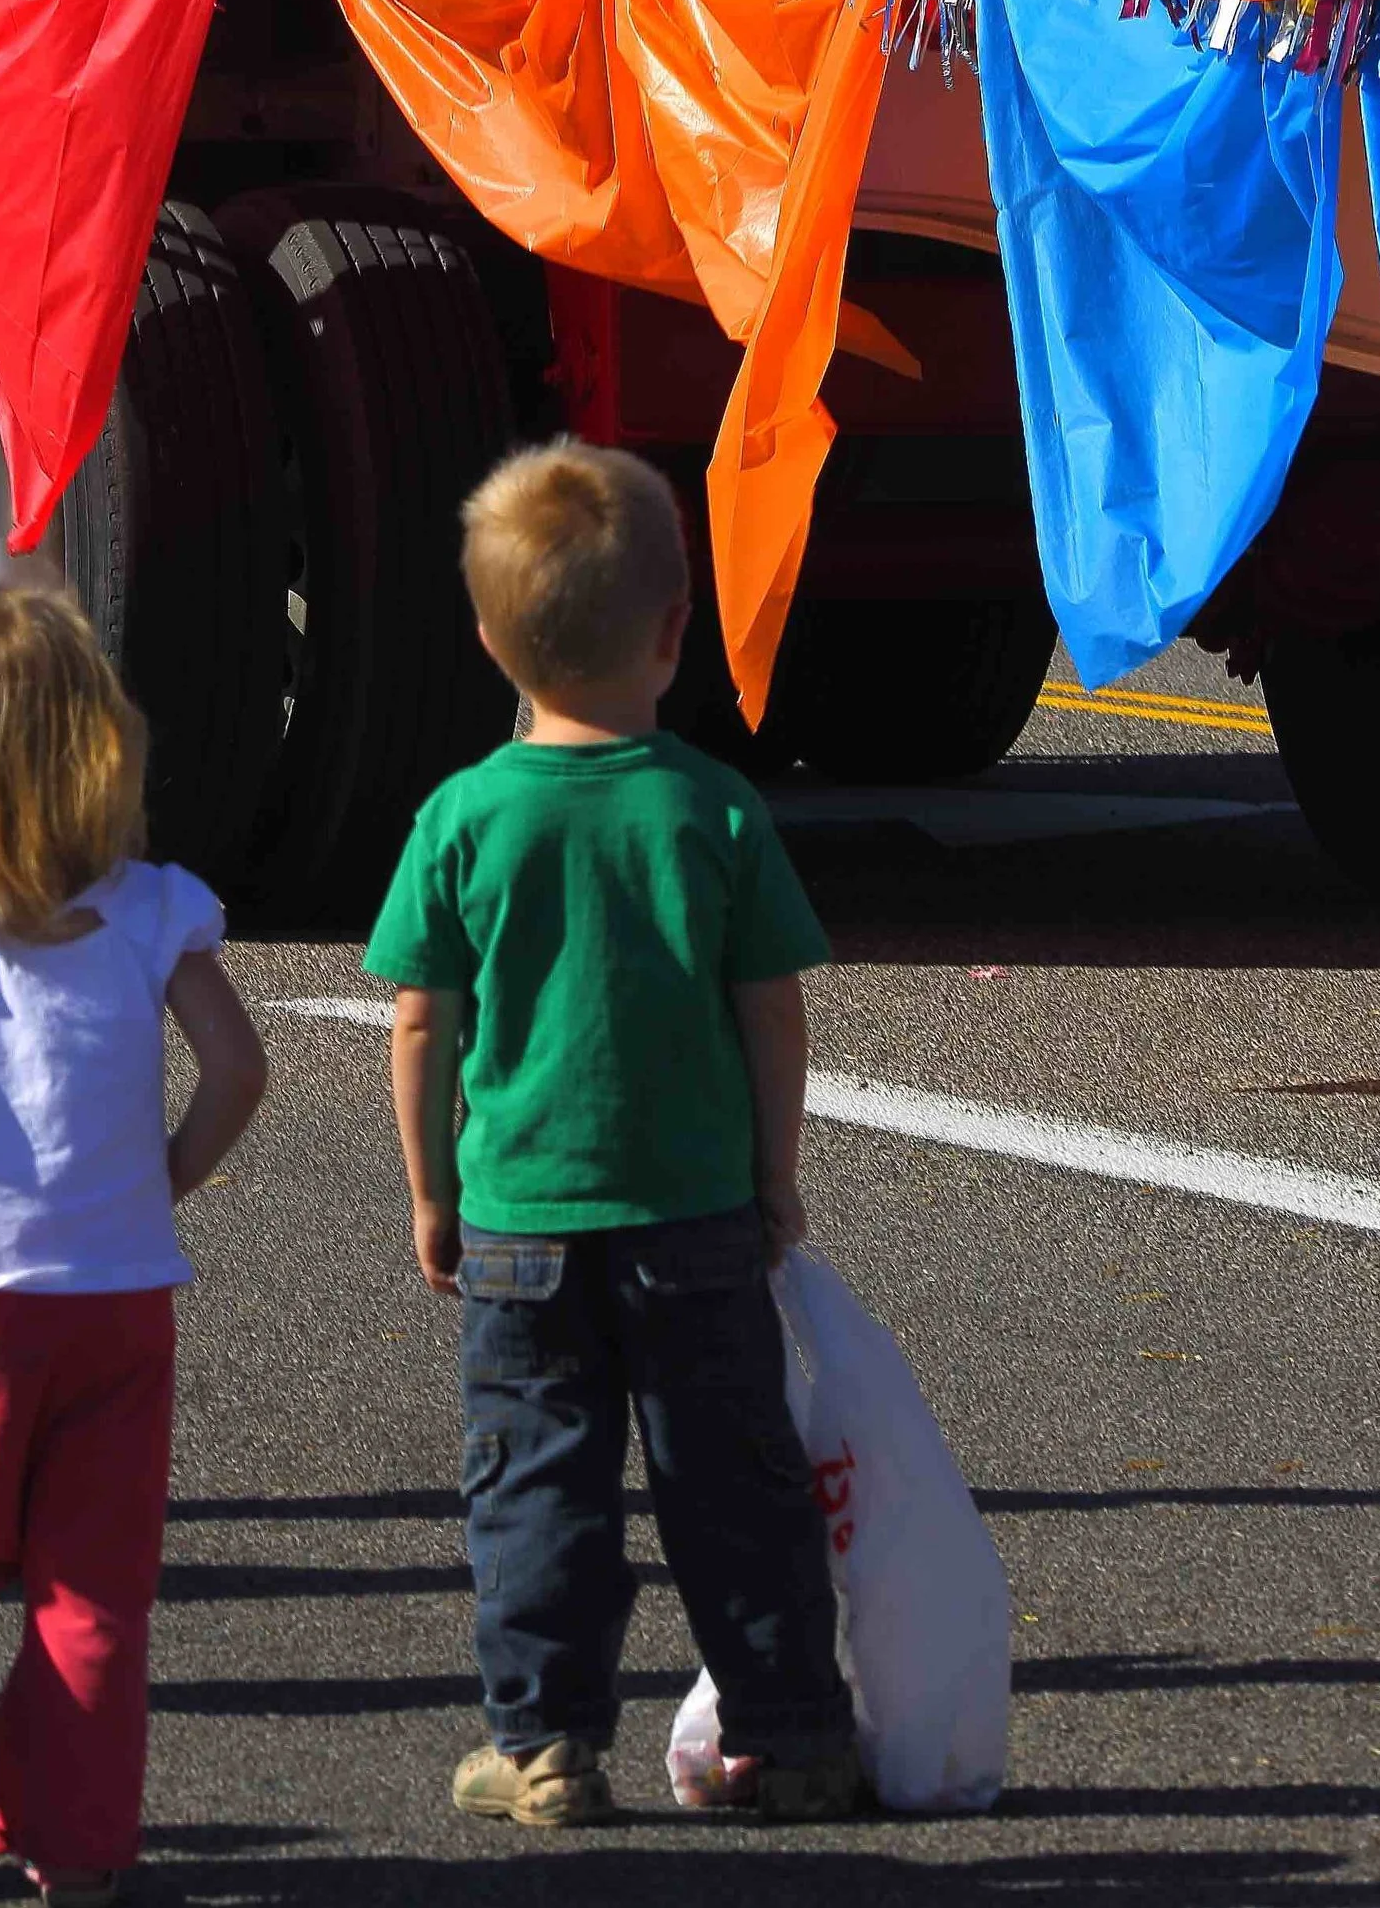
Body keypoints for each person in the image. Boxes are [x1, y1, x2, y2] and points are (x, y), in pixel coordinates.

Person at [363, 441, 857, 1829]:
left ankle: (545, 1743)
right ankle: (792, 1728)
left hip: (520, 1214)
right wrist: (773, 1171)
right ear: (674, 629)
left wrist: (430, 1188)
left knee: (534, 1483)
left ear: (485, 636)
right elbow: (771, 1012)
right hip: (693, 1210)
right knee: (732, 1481)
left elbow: (420, 1021)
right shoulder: (710, 806)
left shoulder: (463, 815)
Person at [0, 592, 268, 1907]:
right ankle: (75, 1846)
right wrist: (164, 1174)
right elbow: (237, 1066)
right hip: (120, 1288)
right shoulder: (150, 904)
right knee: (94, 1585)